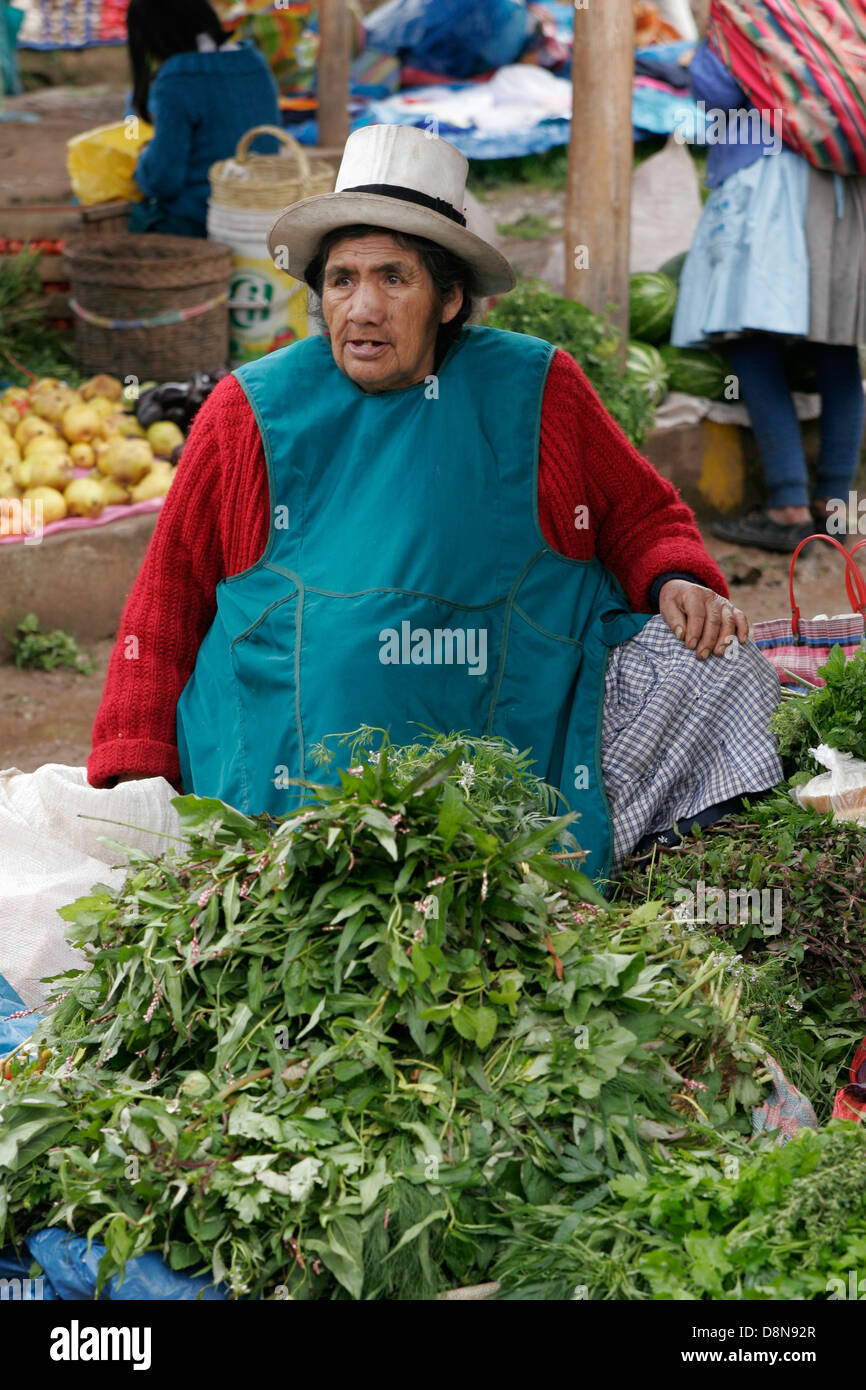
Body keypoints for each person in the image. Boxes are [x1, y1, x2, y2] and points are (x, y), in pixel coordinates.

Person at [88, 124, 783, 883]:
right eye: (343, 279)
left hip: (513, 731)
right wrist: (135, 768)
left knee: (722, 665)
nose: (362, 308)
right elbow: (167, 596)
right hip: (295, 777)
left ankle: (644, 876)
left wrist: (674, 579)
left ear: (450, 298)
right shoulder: (249, 410)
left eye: (394, 278)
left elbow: (640, 516)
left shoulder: (533, 386)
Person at [671, 37, 866, 553]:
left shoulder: (744, 14)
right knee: (835, 340)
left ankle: (787, 508)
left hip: (766, 185)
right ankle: (834, 505)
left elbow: (719, 96)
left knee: (747, 337)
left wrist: (696, 61)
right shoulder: (831, 14)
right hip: (840, 183)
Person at [126, 0, 281, 238]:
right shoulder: (253, 60)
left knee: (135, 217)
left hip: (203, 218)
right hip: (261, 206)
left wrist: (143, 159)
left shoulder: (179, 77)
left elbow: (163, 181)